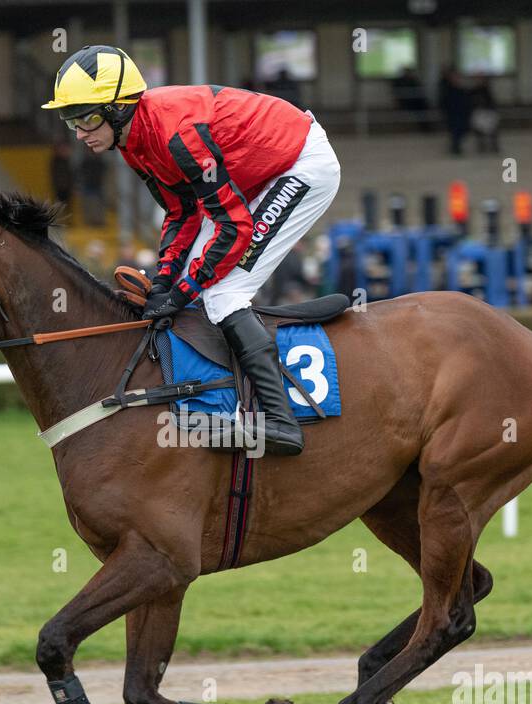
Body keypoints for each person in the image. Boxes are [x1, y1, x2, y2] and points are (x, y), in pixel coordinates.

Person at [42, 45, 342, 456]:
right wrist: (164, 282)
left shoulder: (177, 135)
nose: (79, 132)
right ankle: (218, 399)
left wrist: (183, 291)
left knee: (222, 293)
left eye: (88, 117)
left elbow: (235, 227)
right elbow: (182, 213)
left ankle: (280, 422)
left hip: (301, 163)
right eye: (70, 119)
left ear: (119, 108)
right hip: (258, 175)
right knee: (193, 287)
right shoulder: (134, 141)